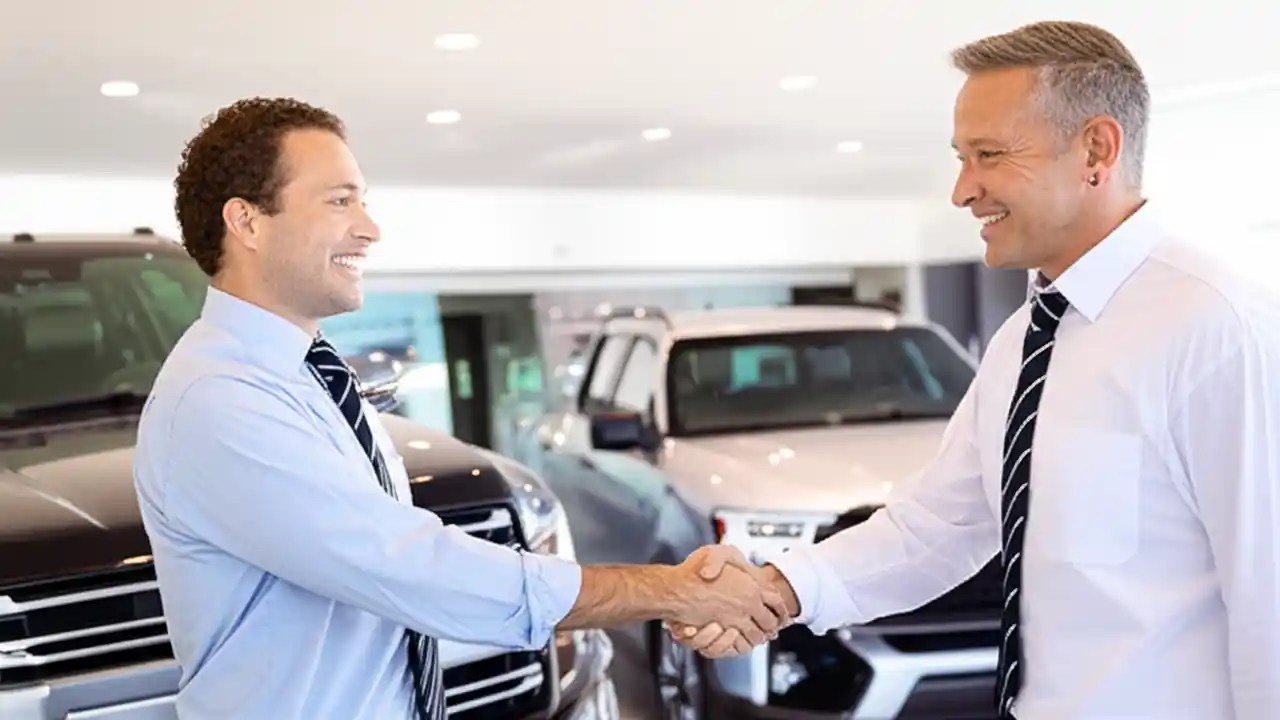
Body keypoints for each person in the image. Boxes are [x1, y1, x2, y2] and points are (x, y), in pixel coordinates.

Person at [673, 20, 1280, 720]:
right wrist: (781, 587)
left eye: (988, 155)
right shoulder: (1026, 335)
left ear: (1096, 150)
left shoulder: (1222, 331)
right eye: (962, 157)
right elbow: (939, 526)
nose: (964, 191)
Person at [131, 97, 787, 720]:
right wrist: (670, 590)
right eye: (340, 201)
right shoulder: (217, 400)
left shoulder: (306, 378)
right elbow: (411, 569)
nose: (369, 228)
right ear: (246, 221)